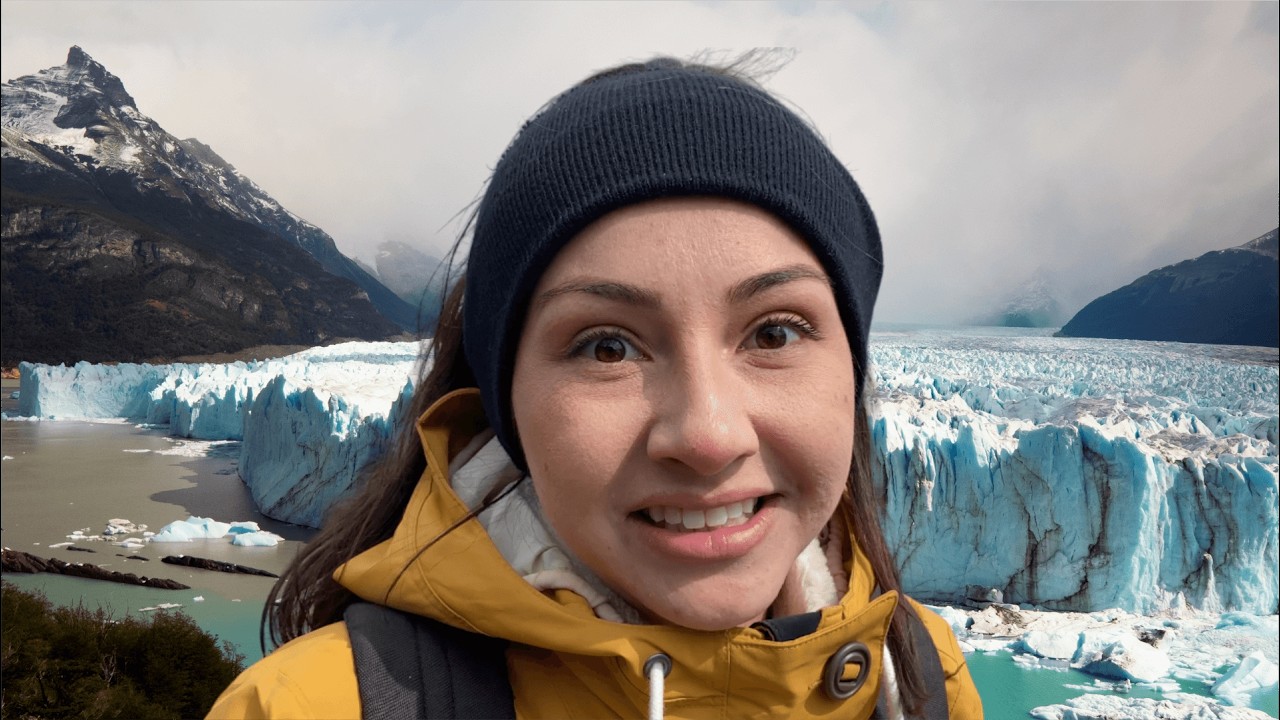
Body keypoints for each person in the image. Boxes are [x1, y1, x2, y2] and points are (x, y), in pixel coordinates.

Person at [208, 55, 983, 720]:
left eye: (774, 332)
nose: (709, 435)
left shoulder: (917, 680)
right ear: (508, 396)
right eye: (607, 346)